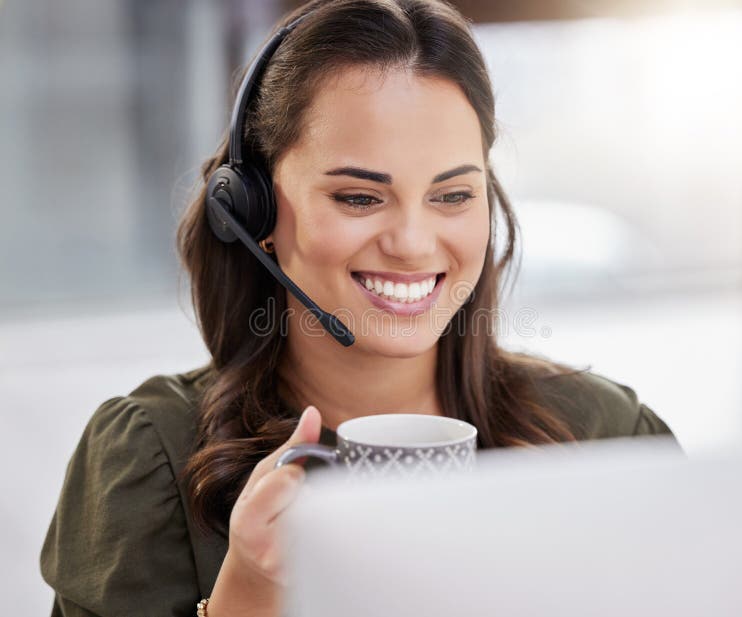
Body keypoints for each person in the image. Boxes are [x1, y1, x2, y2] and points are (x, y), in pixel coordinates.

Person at [40, 0, 679, 615]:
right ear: (253, 211)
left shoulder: (604, 435)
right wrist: (251, 591)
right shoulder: (147, 462)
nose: (411, 243)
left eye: (452, 195)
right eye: (358, 198)